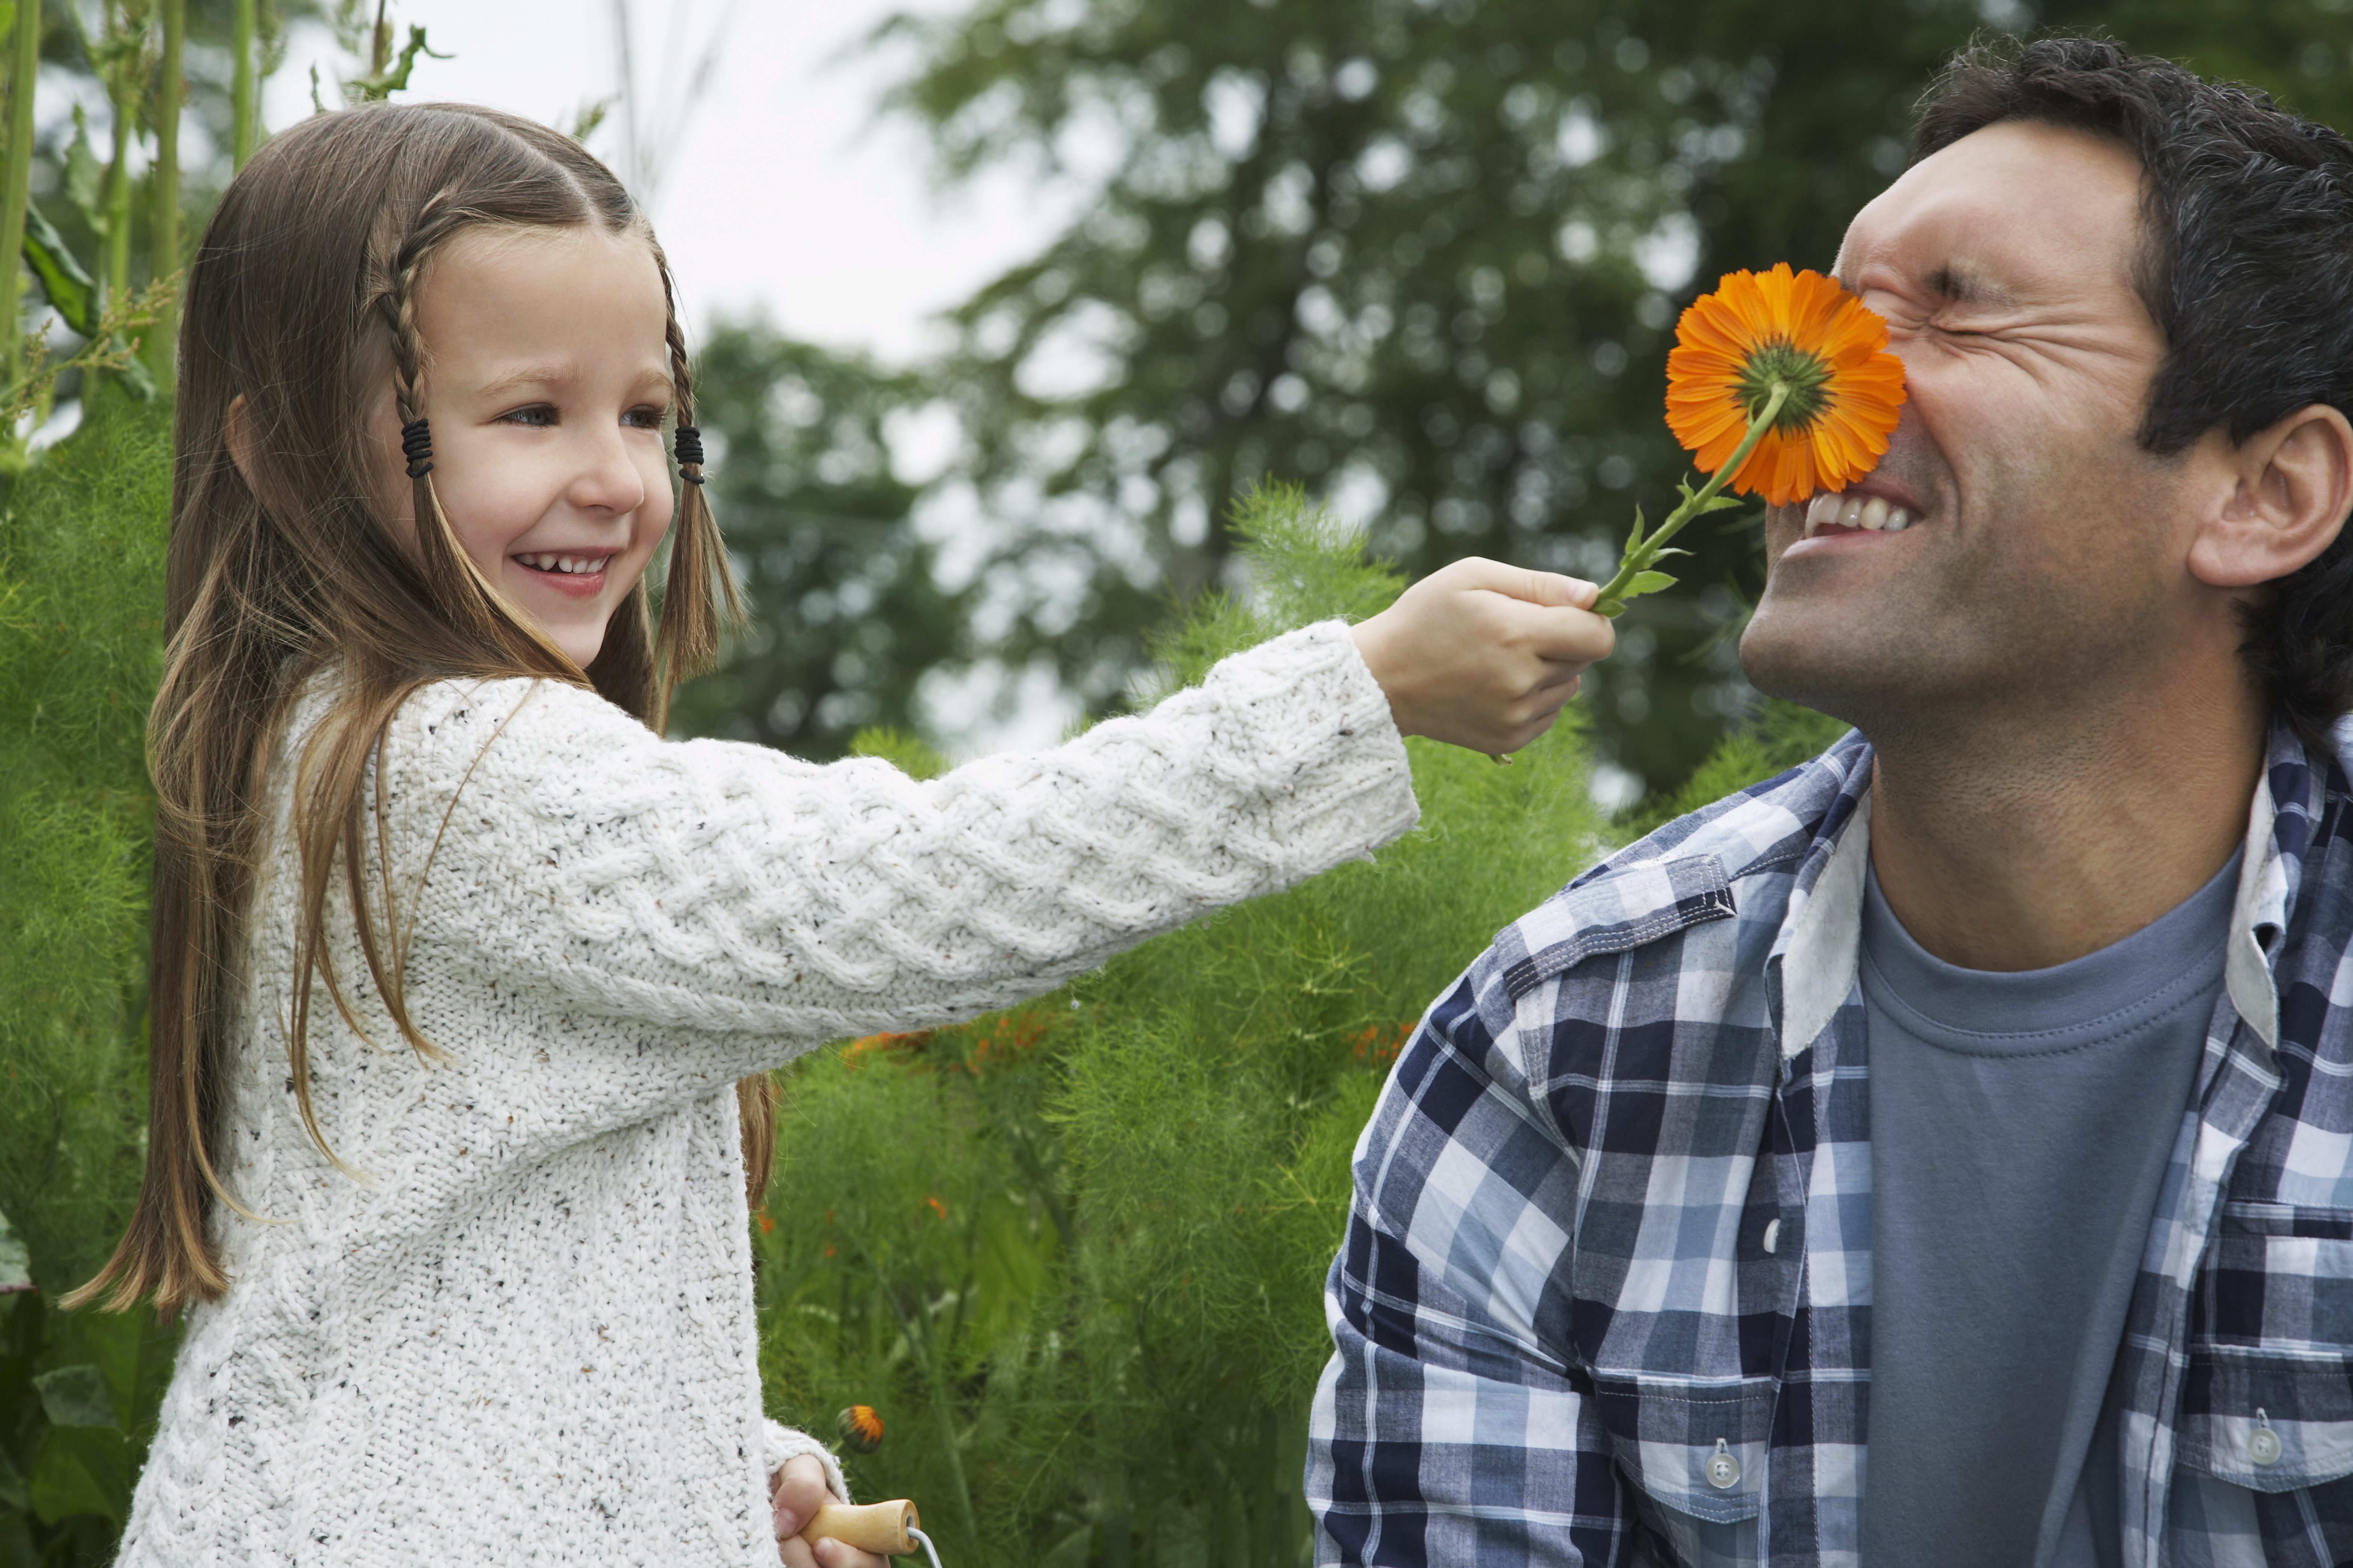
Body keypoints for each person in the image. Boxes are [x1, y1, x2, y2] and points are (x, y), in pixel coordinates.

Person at [70, 102, 1618, 1568]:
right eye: (529, 412)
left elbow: (436, 1297)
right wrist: (1351, 693)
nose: (613, 479)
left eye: (647, 413)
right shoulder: (447, 767)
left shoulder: (334, 749)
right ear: (284, 459)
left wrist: (700, 1470)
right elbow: (906, 888)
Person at [1307, 35, 2353, 1568]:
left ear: (2263, 494)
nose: (1828, 395)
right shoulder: (1551, 1046)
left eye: (1955, 306)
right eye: (1833, 315)